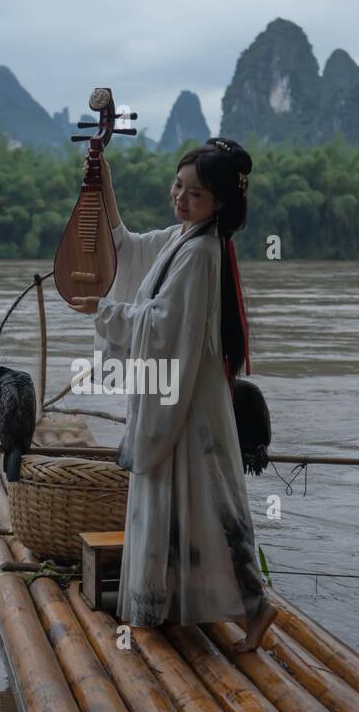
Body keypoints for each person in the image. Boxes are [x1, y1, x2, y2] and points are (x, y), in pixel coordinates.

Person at [68, 137, 277, 654]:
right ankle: (176, 606)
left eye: (196, 195)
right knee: (197, 500)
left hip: (188, 403)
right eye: (178, 187)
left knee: (209, 498)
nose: (180, 199)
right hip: (180, 392)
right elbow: (128, 247)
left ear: (221, 205)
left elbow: (162, 327)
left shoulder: (202, 251)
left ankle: (252, 602)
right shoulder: (185, 238)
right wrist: (104, 181)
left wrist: (105, 311)